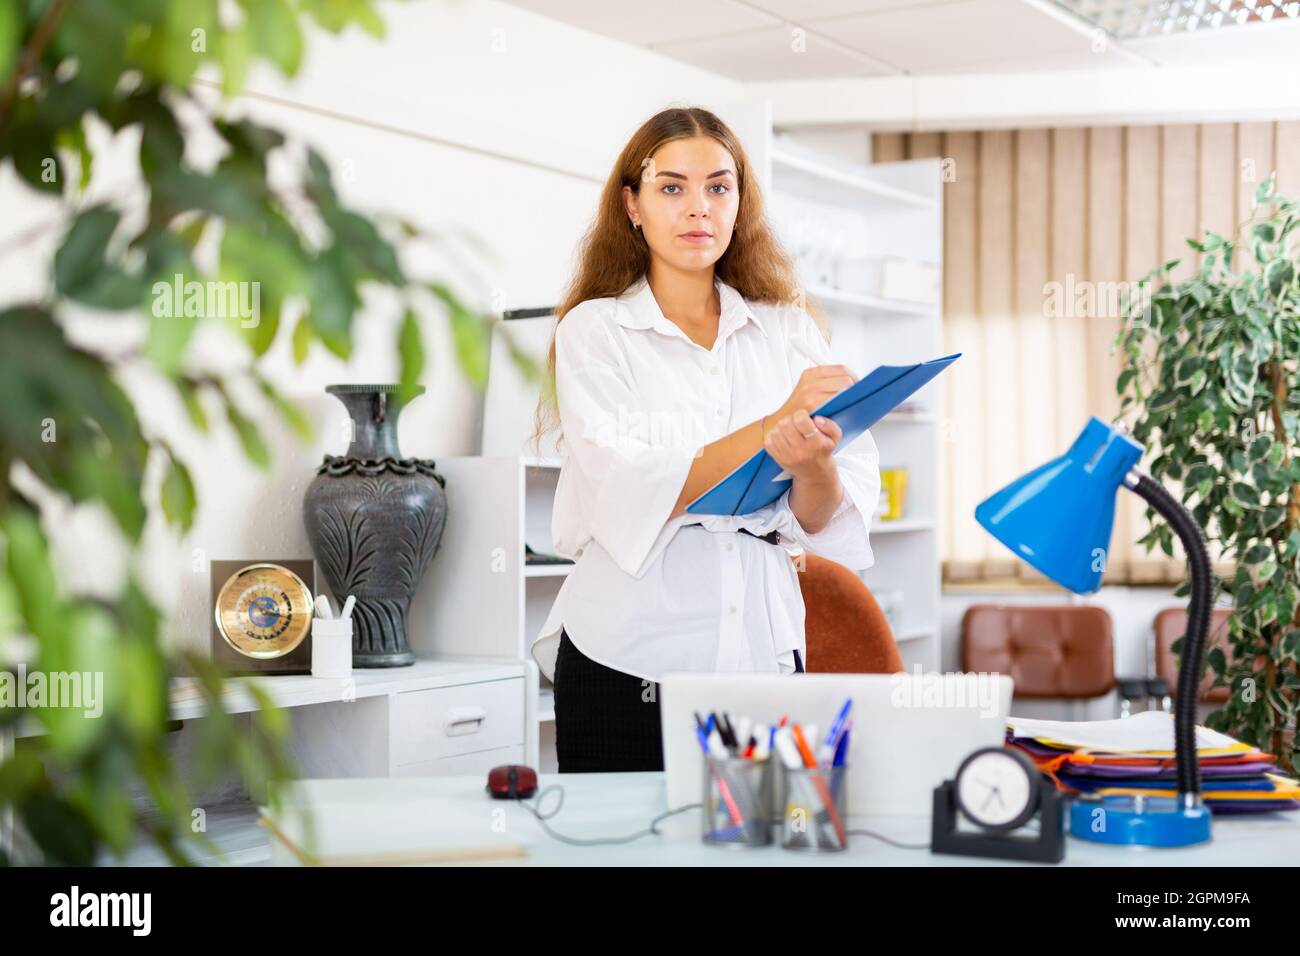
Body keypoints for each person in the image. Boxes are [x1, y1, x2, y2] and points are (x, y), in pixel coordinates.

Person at [529, 106, 880, 773]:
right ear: (632, 204)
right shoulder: (595, 330)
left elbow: (819, 514)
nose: (698, 208)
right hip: (625, 654)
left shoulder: (788, 329)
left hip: (760, 651)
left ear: (740, 203)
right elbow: (626, 481)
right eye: (672, 187)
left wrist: (812, 458)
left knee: (757, 845)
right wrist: (775, 425)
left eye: (719, 187)